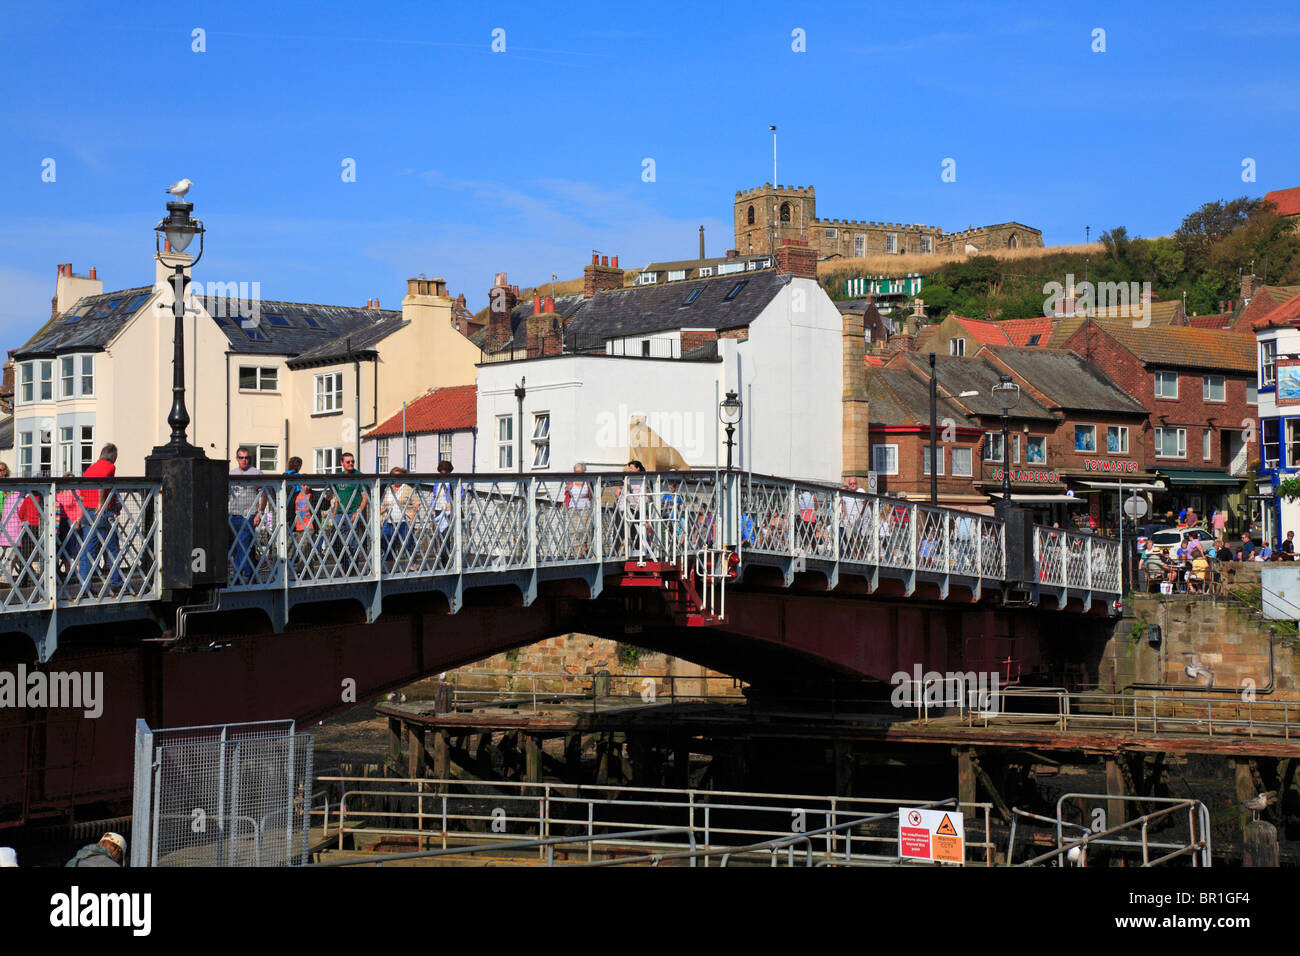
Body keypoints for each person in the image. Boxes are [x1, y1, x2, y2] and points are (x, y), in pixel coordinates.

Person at [79, 444, 124, 592]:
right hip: (103, 512)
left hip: (88, 512)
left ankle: (85, 587)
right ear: (114, 457)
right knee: (112, 548)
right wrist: (101, 502)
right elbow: (102, 482)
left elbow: (83, 489)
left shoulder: (90, 468)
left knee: (88, 551)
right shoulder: (110, 467)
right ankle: (116, 581)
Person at [229, 448, 266, 584]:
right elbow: (228, 494)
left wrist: (259, 513)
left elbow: (263, 494)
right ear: (237, 458)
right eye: (241, 457)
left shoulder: (256, 473)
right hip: (233, 513)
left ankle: (239, 575)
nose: (244, 460)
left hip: (248, 514)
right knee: (240, 545)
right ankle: (249, 574)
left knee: (243, 544)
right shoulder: (231, 473)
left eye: (246, 458)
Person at [330, 452, 370, 574]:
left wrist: (358, 512)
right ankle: (343, 567)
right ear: (342, 463)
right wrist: (334, 513)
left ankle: (353, 568)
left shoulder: (359, 476)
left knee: (352, 542)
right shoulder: (338, 476)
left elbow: (364, 497)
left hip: (352, 512)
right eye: (348, 462)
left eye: (352, 461)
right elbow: (336, 498)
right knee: (337, 542)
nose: (351, 463)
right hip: (339, 514)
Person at [380, 466, 417, 569]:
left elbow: (416, 503)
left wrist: (413, 516)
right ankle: (390, 566)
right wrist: (379, 514)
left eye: (399, 476)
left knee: (407, 543)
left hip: (404, 520)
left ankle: (412, 563)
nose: (397, 478)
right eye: (395, 476)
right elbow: (383, 504)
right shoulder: (388, 489)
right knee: (388, 544)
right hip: (389, 521)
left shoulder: (407, 488)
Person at [566, 463, 594, 558]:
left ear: (583, 471)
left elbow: (592, 493)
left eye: (579, 471)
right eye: (575, 471)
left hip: (585, 507)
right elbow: (566, 493)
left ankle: (583, 547)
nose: (577, 473)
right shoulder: (571, 481)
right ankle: (577, 550)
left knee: (582, 529)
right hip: (572, 507)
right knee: (572, 530)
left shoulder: (587, 481)